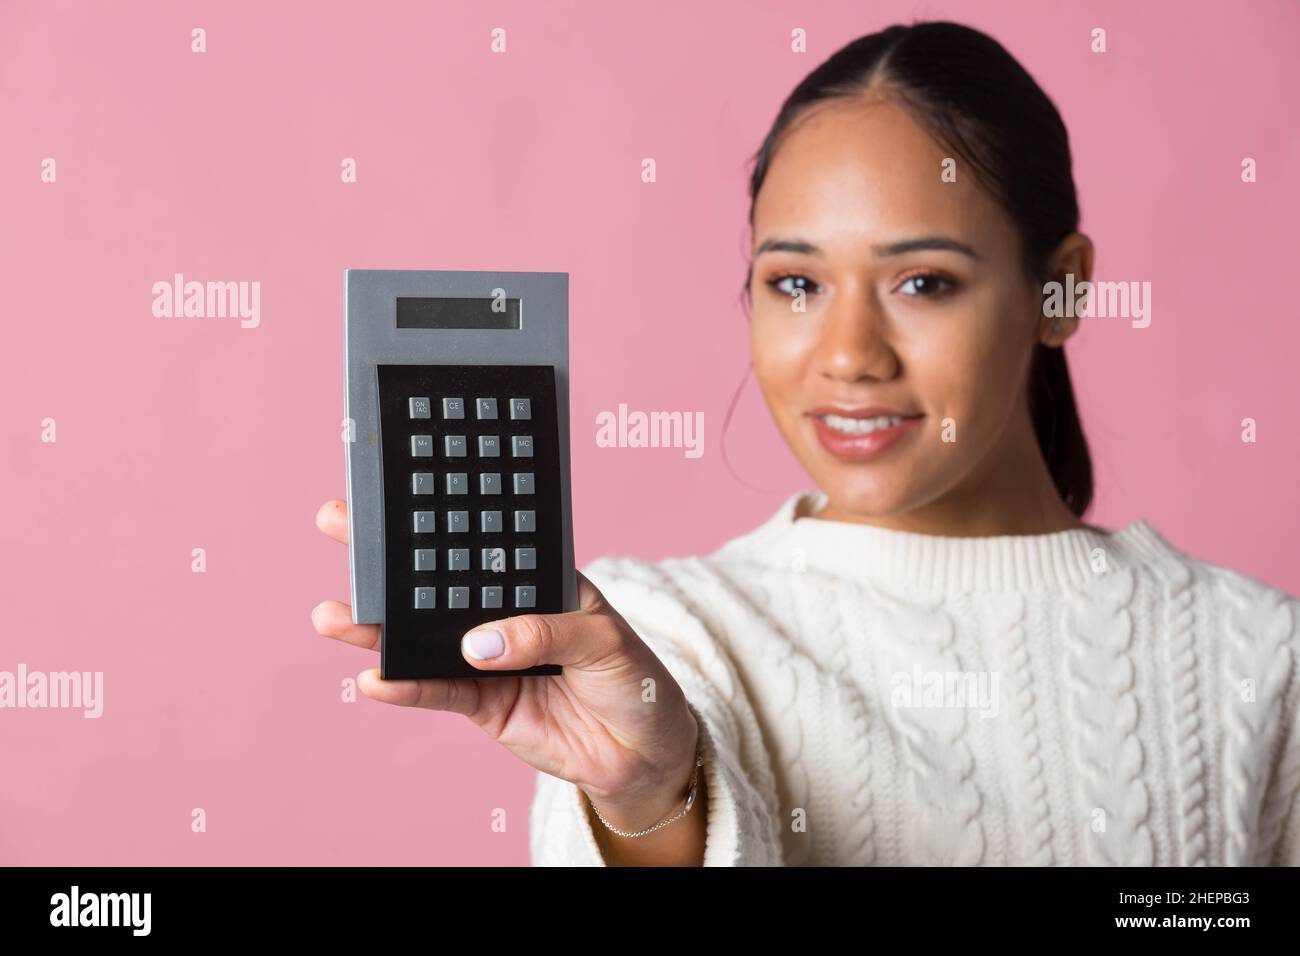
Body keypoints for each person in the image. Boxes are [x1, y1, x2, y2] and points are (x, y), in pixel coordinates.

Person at [312, 21, 1300, 866]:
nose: (848, 356)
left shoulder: (1259, 654)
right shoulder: (655, 635)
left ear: (1062, 289)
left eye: (922, 282)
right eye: (796, 283)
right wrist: (648, 798)